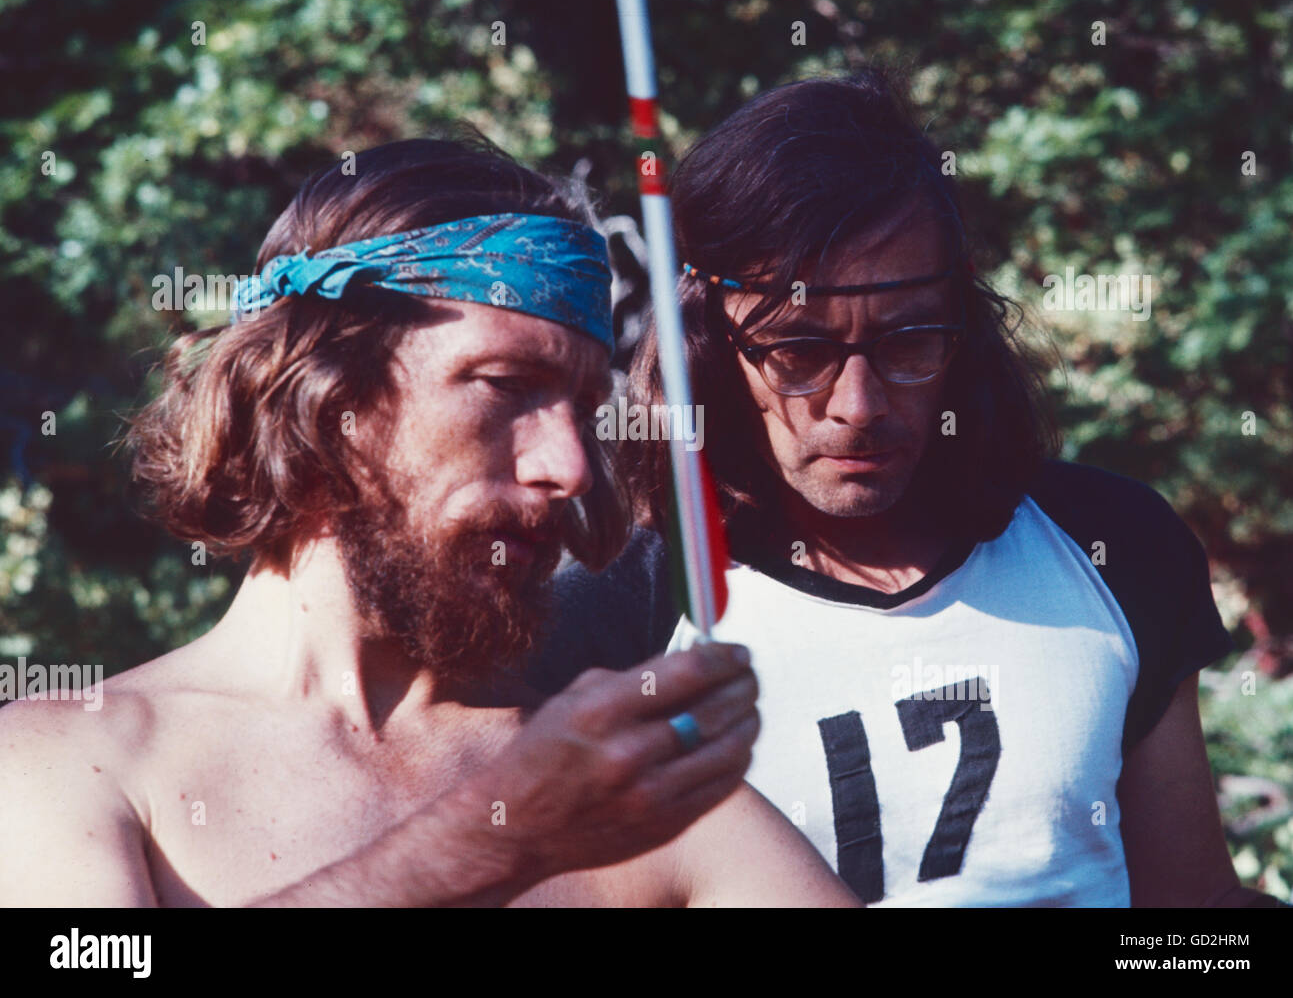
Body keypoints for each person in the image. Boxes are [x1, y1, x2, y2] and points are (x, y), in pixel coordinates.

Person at [0, 134, 858, 908]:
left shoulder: (634, 798)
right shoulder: (68, 765)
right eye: (506, 386)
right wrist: (496, 841)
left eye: (585, 408)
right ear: (326, 394)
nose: (567, 467)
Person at [526, 72, 1289, 908]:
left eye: (910, 341)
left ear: (966, 330)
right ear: (707, 343)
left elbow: (1194, 920)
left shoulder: (1113, 546)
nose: (859, 406)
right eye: (799, 352)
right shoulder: (617, 624)